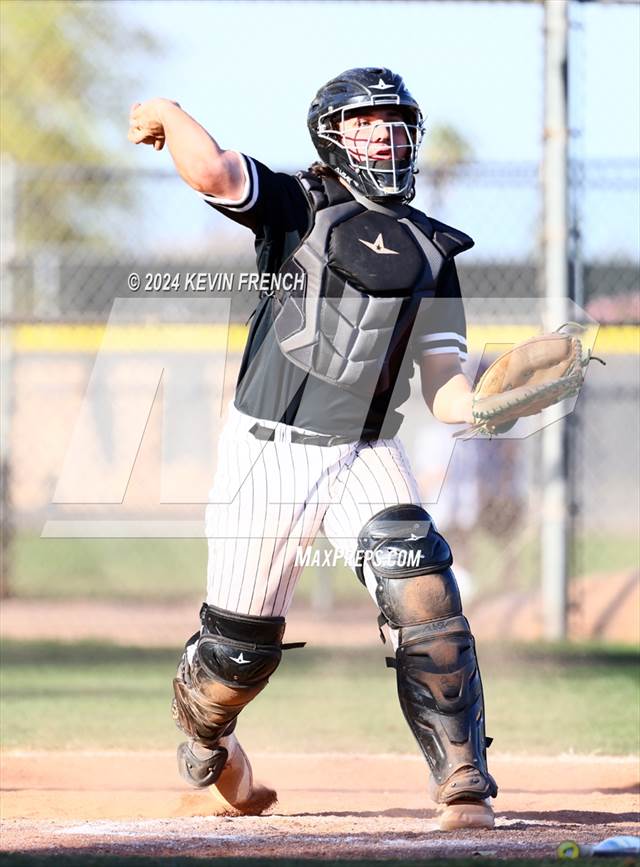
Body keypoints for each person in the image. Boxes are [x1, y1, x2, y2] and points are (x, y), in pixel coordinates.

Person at [128, 67, 498, 831]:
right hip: (269, 451)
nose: (384, 134)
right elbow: (213, 171)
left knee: (424, 593)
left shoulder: (435, 251)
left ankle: (463, 781)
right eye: (365, 121)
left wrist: (492, 403)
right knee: (238, 657)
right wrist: (169, 109)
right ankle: (209, 730)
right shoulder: (300, 204)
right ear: (331, 136)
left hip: (366, 448)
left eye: (396, 122)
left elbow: (445, 390)